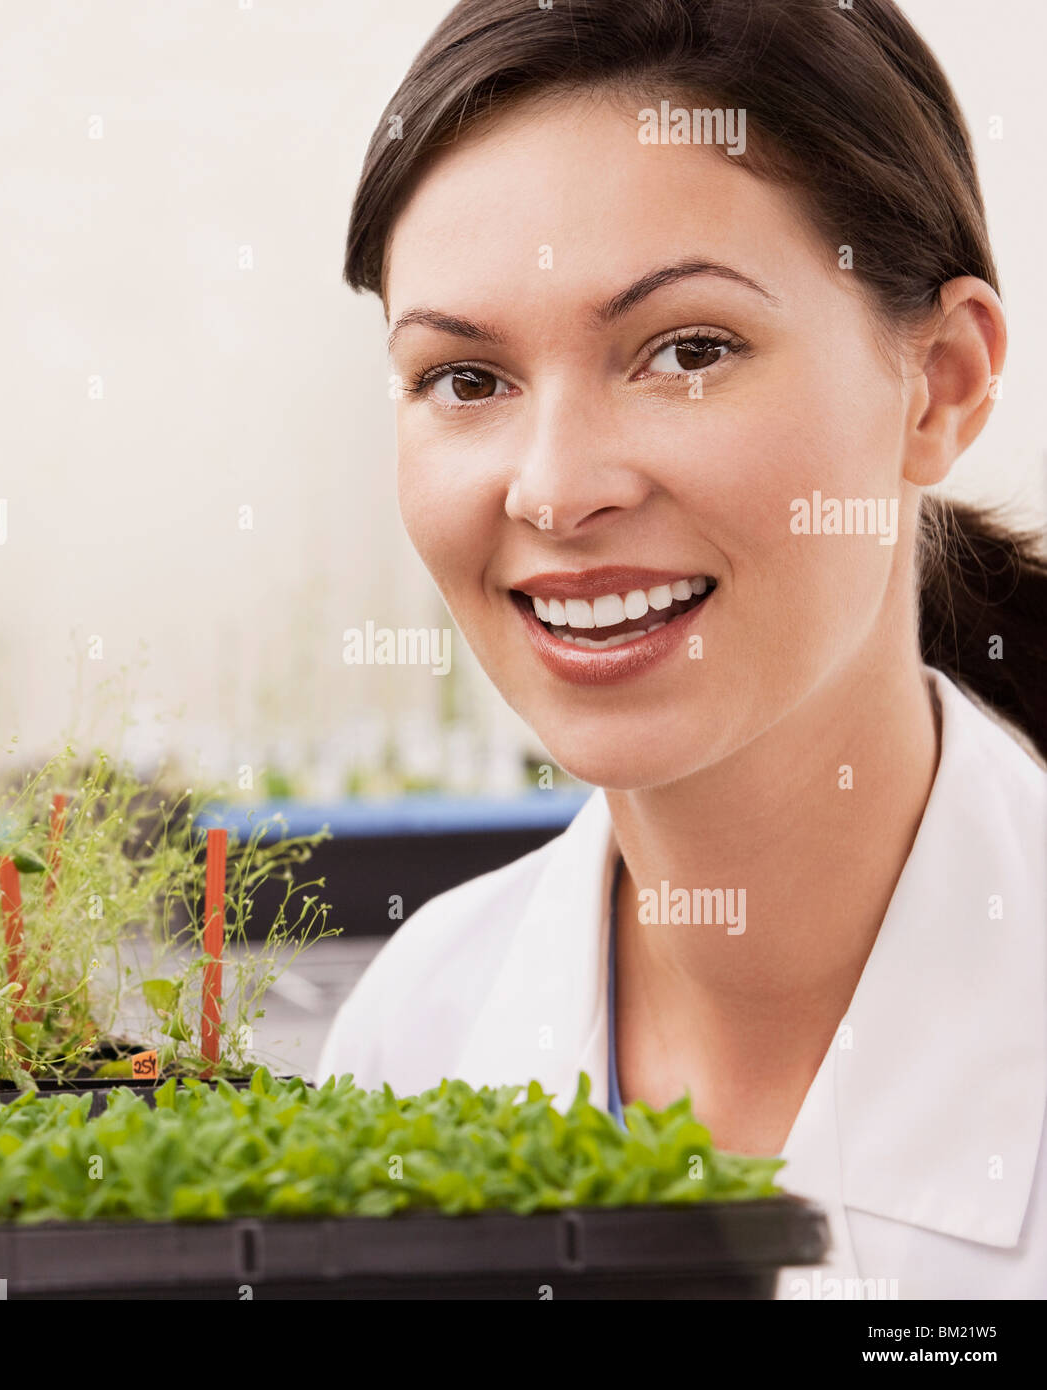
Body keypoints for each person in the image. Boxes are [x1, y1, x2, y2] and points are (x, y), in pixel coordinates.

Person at [316, 0, 1047, 1298]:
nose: (553, 490)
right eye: (465, 379)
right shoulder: (414, 1031)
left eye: (687, 351)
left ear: (938, 383)